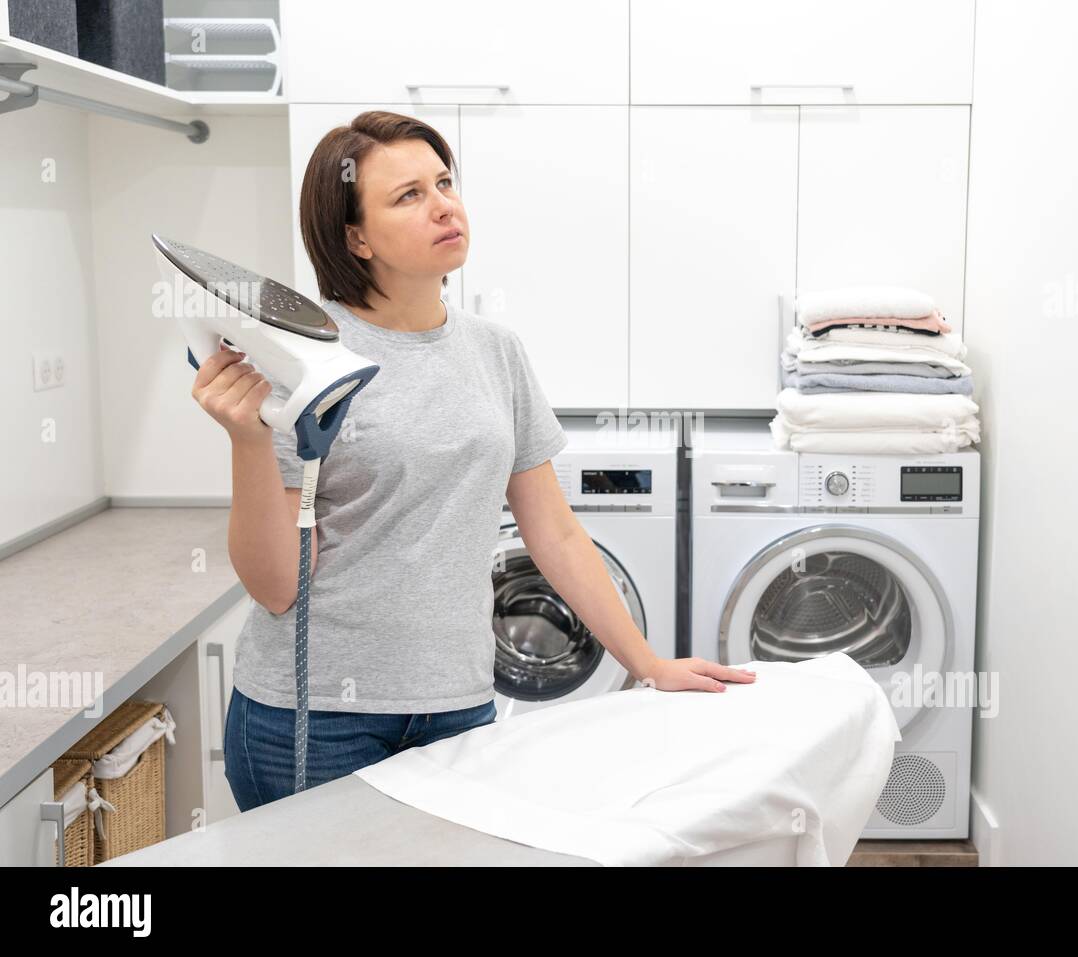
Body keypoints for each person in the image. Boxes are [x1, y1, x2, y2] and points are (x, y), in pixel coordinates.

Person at [190, 110, 755, 811]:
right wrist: (248, 440)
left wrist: (647, 663)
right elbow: (278, 588)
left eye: (445, 182)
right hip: (317, 718)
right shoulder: (304, 359)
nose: (444, 205)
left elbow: (555, 533)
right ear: (355, 237)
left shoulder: (495, 351)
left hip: (458, 706)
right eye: (408, 195)